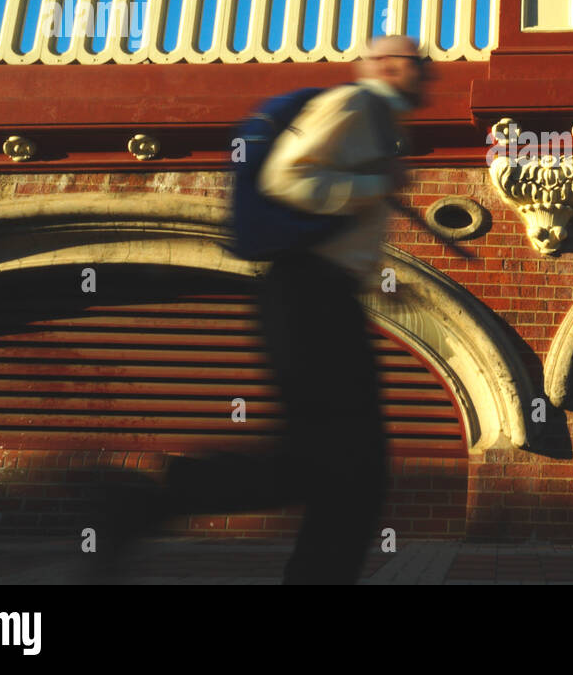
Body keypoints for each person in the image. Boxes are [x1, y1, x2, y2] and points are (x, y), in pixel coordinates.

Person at [93, 34, 424, 584]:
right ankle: (147, 501)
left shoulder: (380, 121)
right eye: (421, 65)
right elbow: (286, 177)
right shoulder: (355, 104)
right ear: (389, 65)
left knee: (335, 469)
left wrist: (381, 284)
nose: (429, 77)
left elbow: (335, 224)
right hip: (309, 299)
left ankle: (147, 503)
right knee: (349, 470)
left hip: (319, 298)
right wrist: (376, 183)